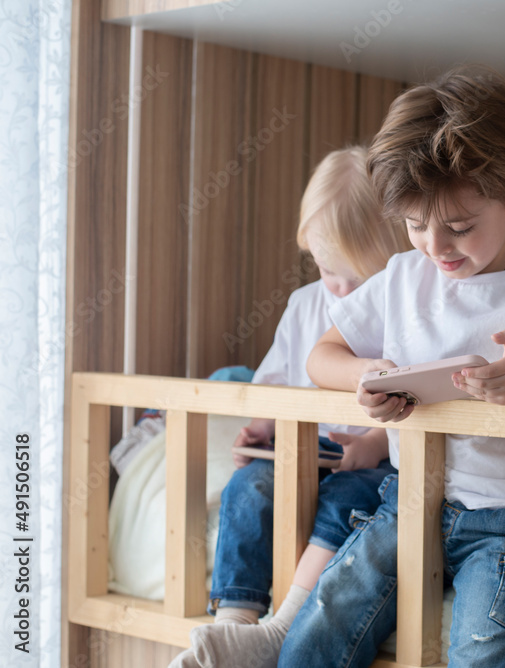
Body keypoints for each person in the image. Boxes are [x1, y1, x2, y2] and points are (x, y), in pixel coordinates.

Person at [276, 64, 505, 668]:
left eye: (458, 228)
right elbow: (322, 356)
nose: (435, 247)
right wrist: (366, 375)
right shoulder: (403, 278)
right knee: (318, 630)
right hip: (406, 500)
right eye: (414, 225)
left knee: (487, 650)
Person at [171, 146, 410, 668]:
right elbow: (273, 383)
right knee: (248, 486)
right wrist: (259, 430)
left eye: (361, 279)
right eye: (329, 272)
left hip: (378, 458)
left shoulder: (404, 313)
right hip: (308, 447)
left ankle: (285, 624)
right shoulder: (304, 306)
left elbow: (419, 407)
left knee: (351, 499)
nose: (343, 292)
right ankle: (233, 623)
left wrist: (370, 445)